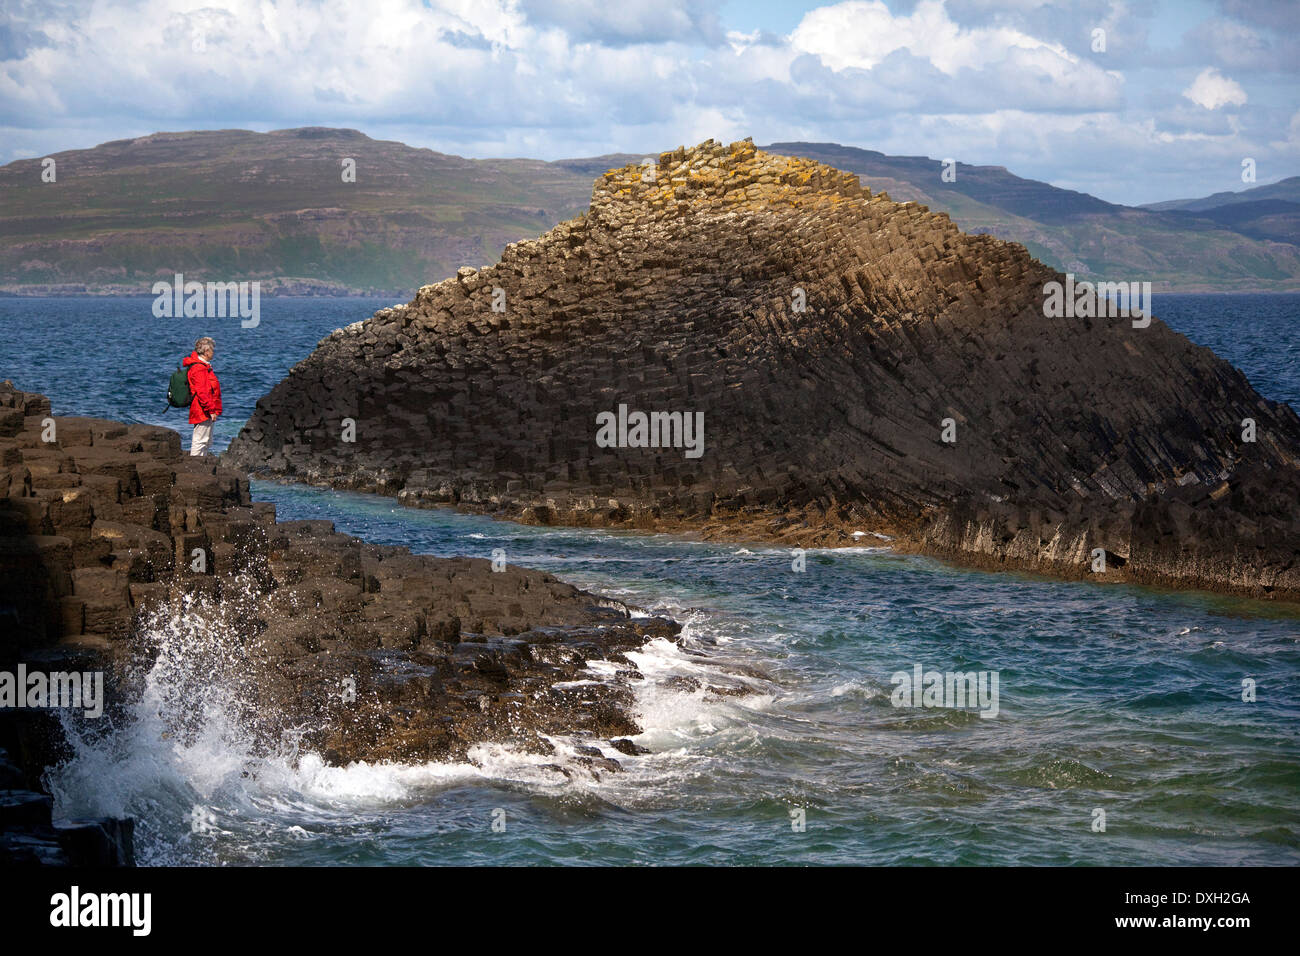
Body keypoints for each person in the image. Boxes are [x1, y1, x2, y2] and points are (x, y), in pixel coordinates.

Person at [184, 336, 222, 456]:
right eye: (212, 350)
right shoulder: (199, 368)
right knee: (200, 440)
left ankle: (200, 465)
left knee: (206, 441)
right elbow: (202, 392)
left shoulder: (203, 366)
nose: (213, 352)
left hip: (204, 409)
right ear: (206, 352)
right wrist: (211, 410)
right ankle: (194, 466)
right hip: (202, 410)